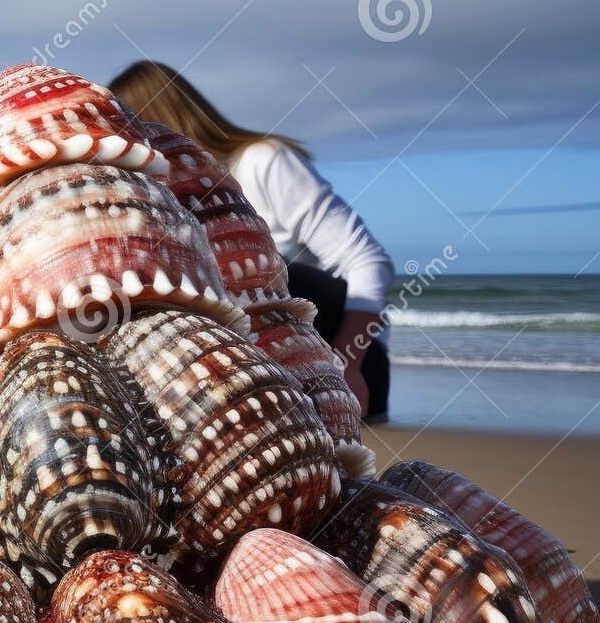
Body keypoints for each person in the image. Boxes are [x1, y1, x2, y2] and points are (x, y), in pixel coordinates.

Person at [110, 60, 393, 422]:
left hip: (341, 357)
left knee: (253, 265)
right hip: (263, 369)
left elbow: (368, 260)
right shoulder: (165, 202)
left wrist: (346, 363)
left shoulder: (262, 162)